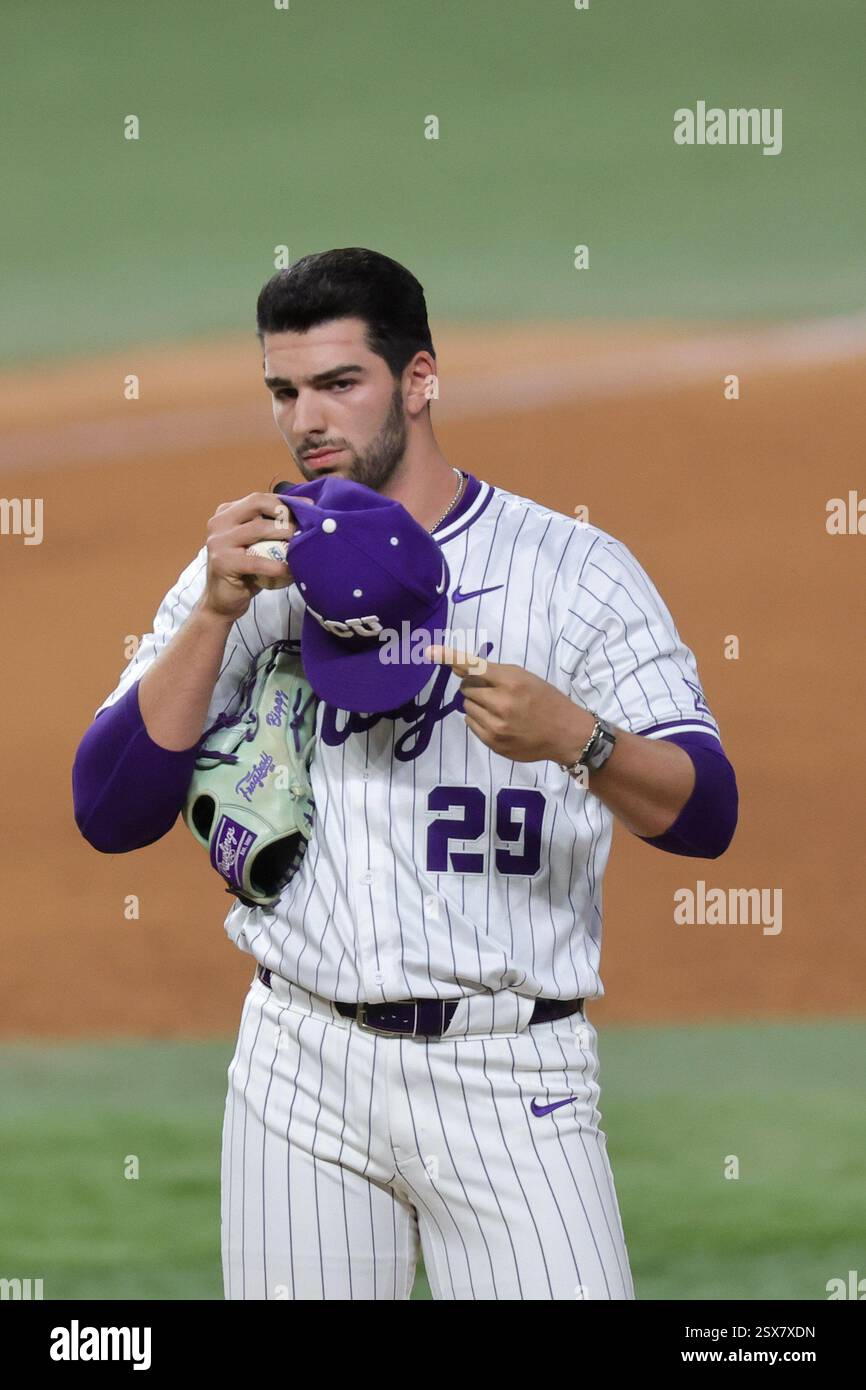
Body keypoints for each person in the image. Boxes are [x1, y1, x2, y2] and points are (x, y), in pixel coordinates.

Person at [73, 247, 737, 1300]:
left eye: (339, 384)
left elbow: (707, 814)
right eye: (283, 392)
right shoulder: (255, 567)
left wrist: (579, 737)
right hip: (300, 1067)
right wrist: (209, 614)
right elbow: (108, 810)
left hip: (513, 1075)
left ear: (418, 380)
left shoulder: (570, 571)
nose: (306, 421)